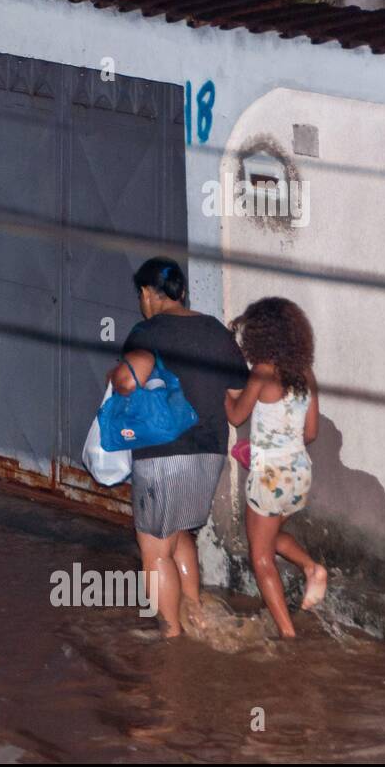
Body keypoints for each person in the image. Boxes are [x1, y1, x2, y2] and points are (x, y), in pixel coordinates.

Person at [107, 257, 250, 637]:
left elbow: (126, 380)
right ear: (181, 292)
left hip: (162, 457)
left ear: (145, 294)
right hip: (209, 454)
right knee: (181, 531)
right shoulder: (216, 332)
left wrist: (119, 380)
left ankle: (170, 636)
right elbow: (238, 397)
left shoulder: (146, 333)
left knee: (155, 552)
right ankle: (195, 610)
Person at [225, 297, 328, 637]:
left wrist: (226, 388)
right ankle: (311, 568)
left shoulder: (261, 372)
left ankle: (287, 634)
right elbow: (311, 433)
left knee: (260, 557)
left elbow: (236, 415)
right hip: (299, 472)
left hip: (270, 477)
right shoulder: (305, 374)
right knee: (266, 539)